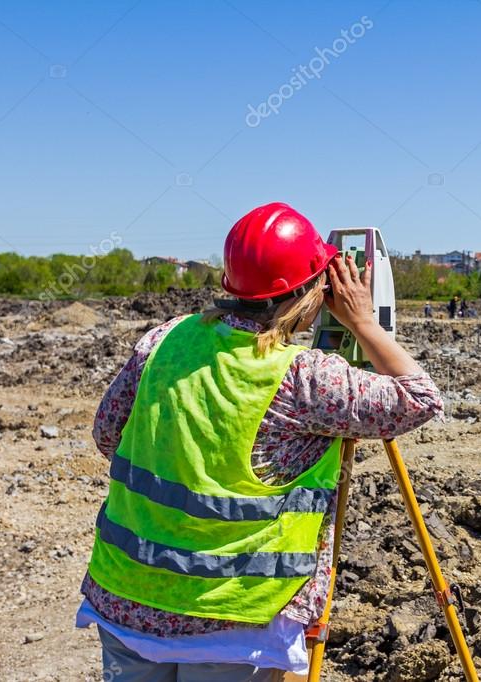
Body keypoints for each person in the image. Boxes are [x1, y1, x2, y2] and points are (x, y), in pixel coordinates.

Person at [76, 202, 442, 680]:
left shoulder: (164, 340)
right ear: (311, 292)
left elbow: (109, 436)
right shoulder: (304, 379)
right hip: (232, 624)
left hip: (126, 598)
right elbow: (421, 398)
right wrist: (365, 324)